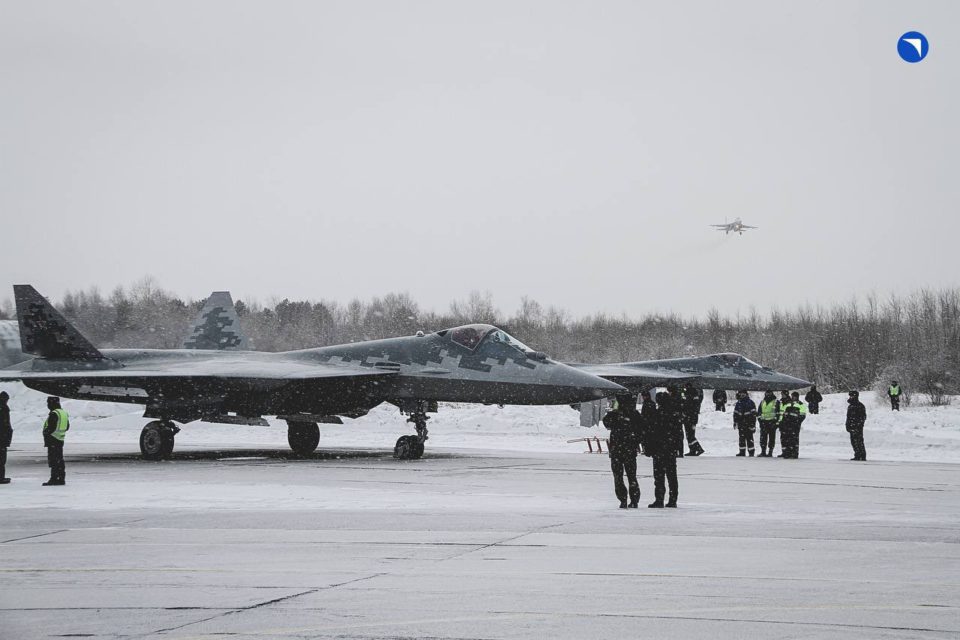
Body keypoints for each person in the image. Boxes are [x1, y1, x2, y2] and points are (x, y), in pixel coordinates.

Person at [642, 391, 682, 508]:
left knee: (659, 477)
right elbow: (678, 432)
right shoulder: (673, 415)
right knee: (672, 476)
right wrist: (677, 447)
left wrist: (649, 447)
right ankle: (673, 499)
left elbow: (651, 432)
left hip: (659, 449)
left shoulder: (657, 414)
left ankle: (659, 499)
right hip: (669, 450)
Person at [602, 393, 642, 508]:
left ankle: (623, 499)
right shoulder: (634, 415)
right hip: (629, 449)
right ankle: (634, 499)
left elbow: (606, 423)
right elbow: (641, 429)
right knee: (631, 476)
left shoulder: (615, 414)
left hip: (617, 449)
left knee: (618, 476)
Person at [42, 396, 69, 486]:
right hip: (60, 439)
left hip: (53, 440)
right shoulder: (63, 413)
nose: (48, 405)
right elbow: (67, 426)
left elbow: (51, 427)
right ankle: (61, 478)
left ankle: (54, 479)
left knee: (54, 460)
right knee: (59, 460)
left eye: (48, 403)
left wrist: (46, 432)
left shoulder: (54, 413)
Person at [778, 391, 807, 459]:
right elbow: (784, 414)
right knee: (787, 439)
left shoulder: (801, 404)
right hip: (787, 425)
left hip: (795, 426)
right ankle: (787, 453)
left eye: (794, 396)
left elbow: (802, 416)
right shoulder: (788, 404)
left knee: (794, 440)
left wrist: (796, 423)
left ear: (797, 397)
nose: (792, 397)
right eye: (792, 396)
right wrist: (782, 422)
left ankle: (794, 453)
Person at [680, 383, 705, 456]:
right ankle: (692, 450)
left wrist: (685, 412)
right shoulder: (693, 393)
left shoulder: (690, 394)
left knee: (690, 435)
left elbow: (689, 405)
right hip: (692, 418)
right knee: (690, 435)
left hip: (690, 418)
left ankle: (698, 448)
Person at [733, 390, 757, 456]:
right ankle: (742, 452)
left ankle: (751, 452)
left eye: (744, 393)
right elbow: (735, 413)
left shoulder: (751, 403)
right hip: (741, 424)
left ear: (746, 394)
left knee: (750, 439)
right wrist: (735, 422)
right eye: (741, 393)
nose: (742, 395)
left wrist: (752, 424)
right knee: (741, 439)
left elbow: (754, 415)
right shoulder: (738, 403)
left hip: (749, 424)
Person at [756, 391, 780, 457]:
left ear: (772, 393)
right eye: (767, 392)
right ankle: (763, 451)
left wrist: (776, 423)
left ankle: (770, 452)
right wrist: (760, 421)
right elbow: (759, 412)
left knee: (771, 438)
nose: (768, 394)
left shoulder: (776, 402)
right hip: (764, 422)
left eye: (769, 392)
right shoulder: (762, 402)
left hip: (772, 422)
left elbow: (778, 413)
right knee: (763, 438)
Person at [846, 390, 867, 461]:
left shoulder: (860, 405)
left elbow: (863, 417)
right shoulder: (850, 406)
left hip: (858, 427)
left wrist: (858, 425)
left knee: (859, 441)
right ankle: (857, 455)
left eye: (851, 396)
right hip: (851, 426)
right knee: (853, 442)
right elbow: (848, 417)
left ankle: (862, 455)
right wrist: (847, 425)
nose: (850, 397)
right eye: (850, 396)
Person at [0, 391, 11, 484]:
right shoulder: (4, 409)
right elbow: (5, 425)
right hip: (2, 438)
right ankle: (1, 477)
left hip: (2, 437)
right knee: (1, 459)